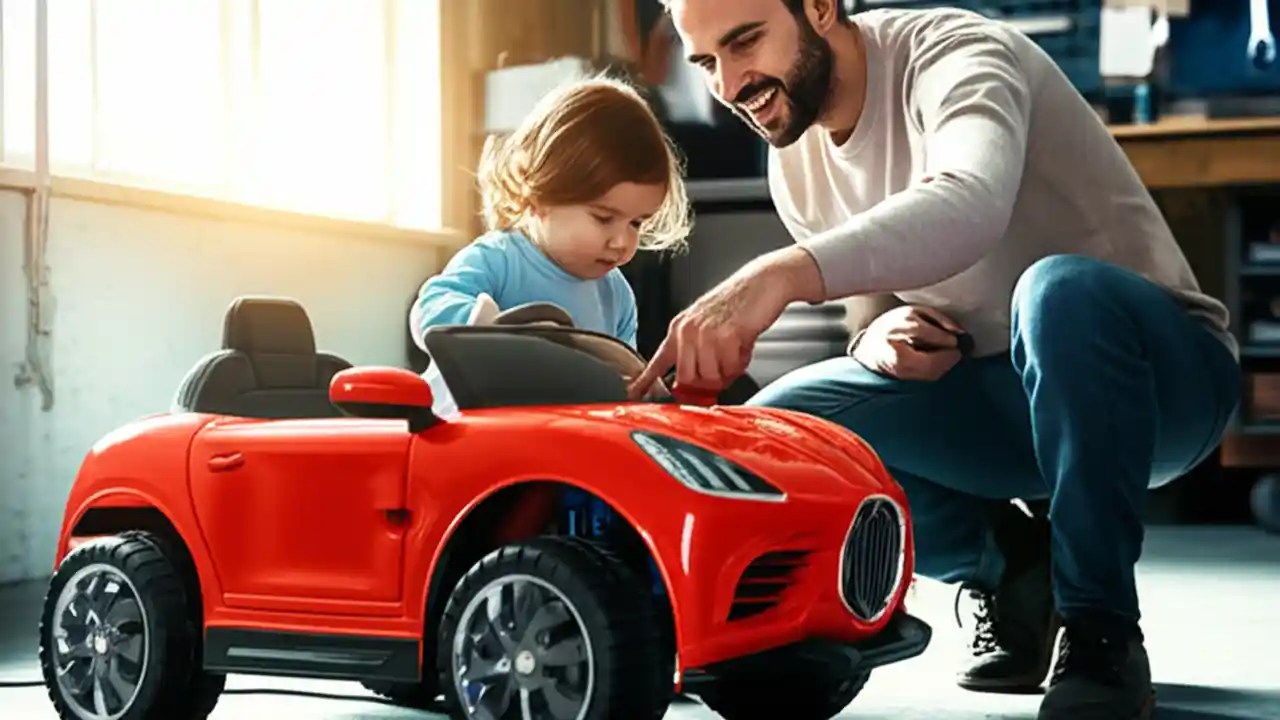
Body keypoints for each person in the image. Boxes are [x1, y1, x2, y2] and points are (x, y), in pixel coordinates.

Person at [630, 2, 1241, 718]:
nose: (731, 86)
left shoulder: (958, 55)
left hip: (1164, 387)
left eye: (745, 43)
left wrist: (775, 276)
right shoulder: (795, 158)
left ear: (822, 7)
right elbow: (871, 304)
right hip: (1002, 399)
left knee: (1055, 290)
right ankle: (1013, 569)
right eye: (706, 63)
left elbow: (970, 201)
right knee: (787, 431)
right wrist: (875, 335)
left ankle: (1100, 630)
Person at [410, 76, 691, 360]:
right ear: (540, 197)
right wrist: (478, 324)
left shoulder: (616, 295)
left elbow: (622, 374)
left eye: (636, 223)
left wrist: (642, 384)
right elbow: (430, 307)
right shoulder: (499, 259)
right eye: (604, 218)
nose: (622, 241)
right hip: (464, 405)